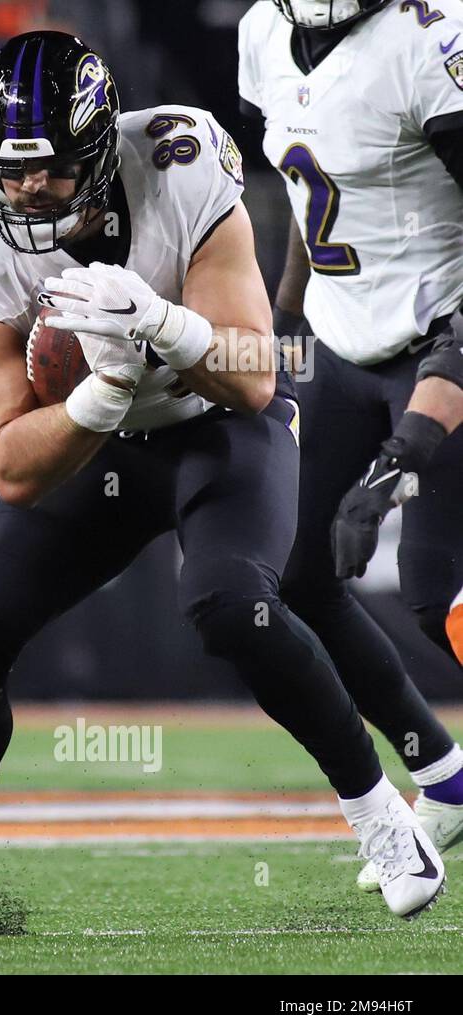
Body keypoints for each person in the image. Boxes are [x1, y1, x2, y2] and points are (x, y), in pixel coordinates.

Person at [0, 30, 442, 936]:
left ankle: (383, 821)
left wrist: (159, 322)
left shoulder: (179, 158)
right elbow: (7, 464)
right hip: (103, 439)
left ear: (97, 145)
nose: (25, 192)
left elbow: (253, 374)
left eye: (47, 171)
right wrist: (102, 392)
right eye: (7, 173)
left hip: (219, 429)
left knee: (229, 603)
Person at [239, 0, 463, 892]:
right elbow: (310, 194)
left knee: (435, 592)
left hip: (442, 336)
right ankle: (444, 777)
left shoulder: (430, 36)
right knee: (293, 576)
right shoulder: (264, 33)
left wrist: (407, 453)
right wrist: (284, 328)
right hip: (340, 343)